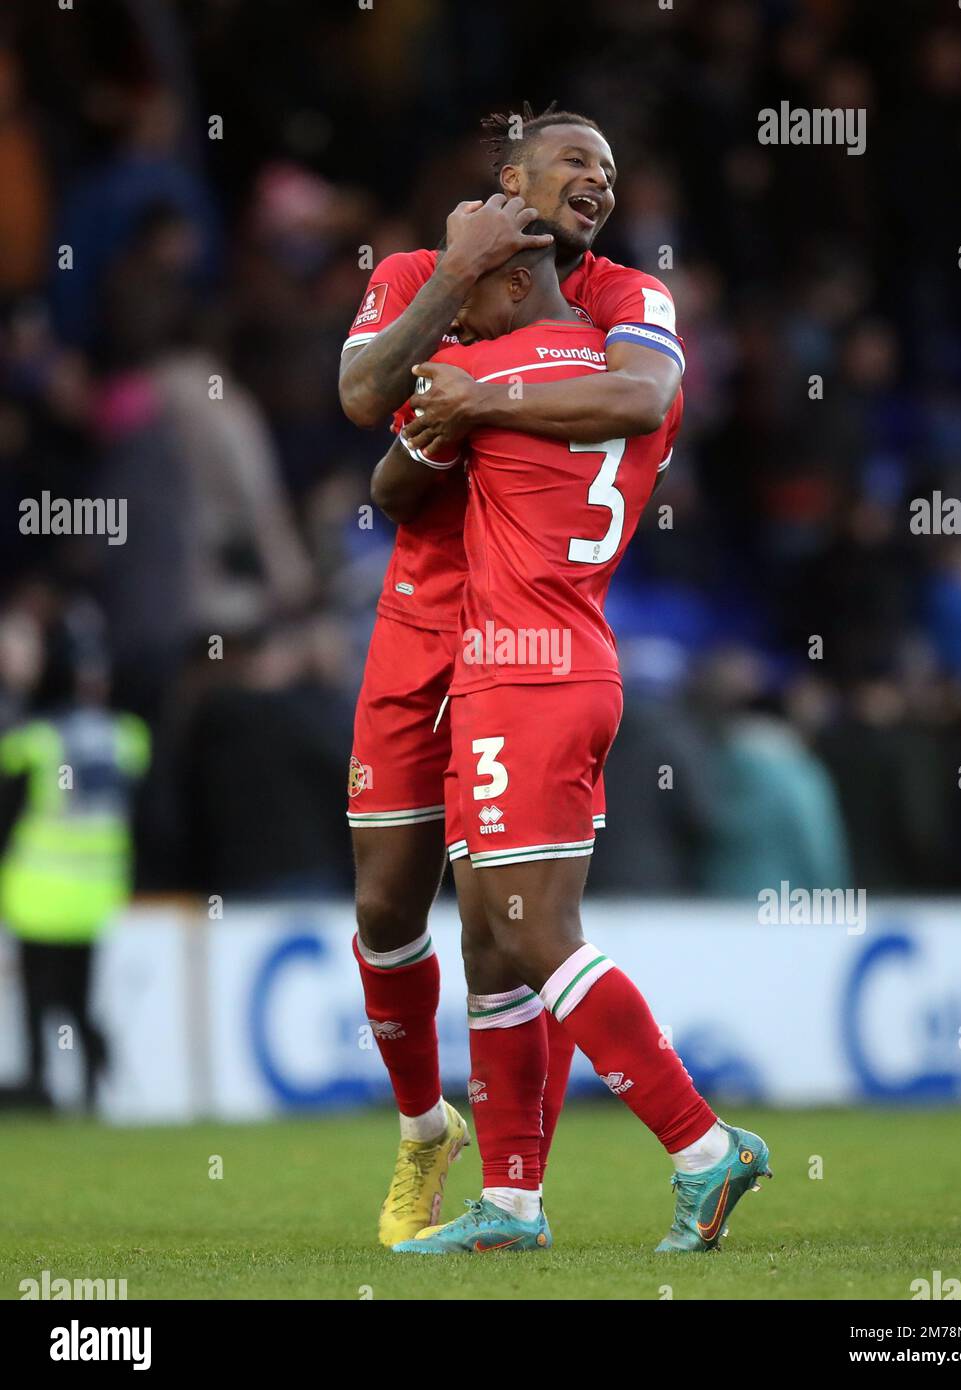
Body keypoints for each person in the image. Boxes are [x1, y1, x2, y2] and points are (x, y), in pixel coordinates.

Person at [371, 233, 771, 1255]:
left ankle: (699, 1145)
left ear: (514, 280)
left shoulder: (469, 370)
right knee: (493, 937)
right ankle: (509, 1203)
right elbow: (640, 414)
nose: (460, 311)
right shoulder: (630, 376)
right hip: (585, 656)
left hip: (514, 669)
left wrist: (444, 381)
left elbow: (387, 486)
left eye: (474, 290)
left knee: (532, 927)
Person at [338, 104, 686, 1245]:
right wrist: (457, 276)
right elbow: (359, 399)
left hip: (524, 634)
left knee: (505, 922)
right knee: (389, 901)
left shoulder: (623, 298)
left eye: (609, 169)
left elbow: (640, 395)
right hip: (418, 622)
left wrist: (477, 396)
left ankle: (514, 1194)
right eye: (573, 161)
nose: (598, 181)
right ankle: (421, 1128)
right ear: (507, 180)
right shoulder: (410, 274)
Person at [0, 601, 150, 1110]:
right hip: (96, 890)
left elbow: (9, 808)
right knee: (79, 996)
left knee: (38, 998)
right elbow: (149, 814)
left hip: (36, 887)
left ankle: (40, 1084)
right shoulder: (126, 738)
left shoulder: (37, 739)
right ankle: (89, 1087)